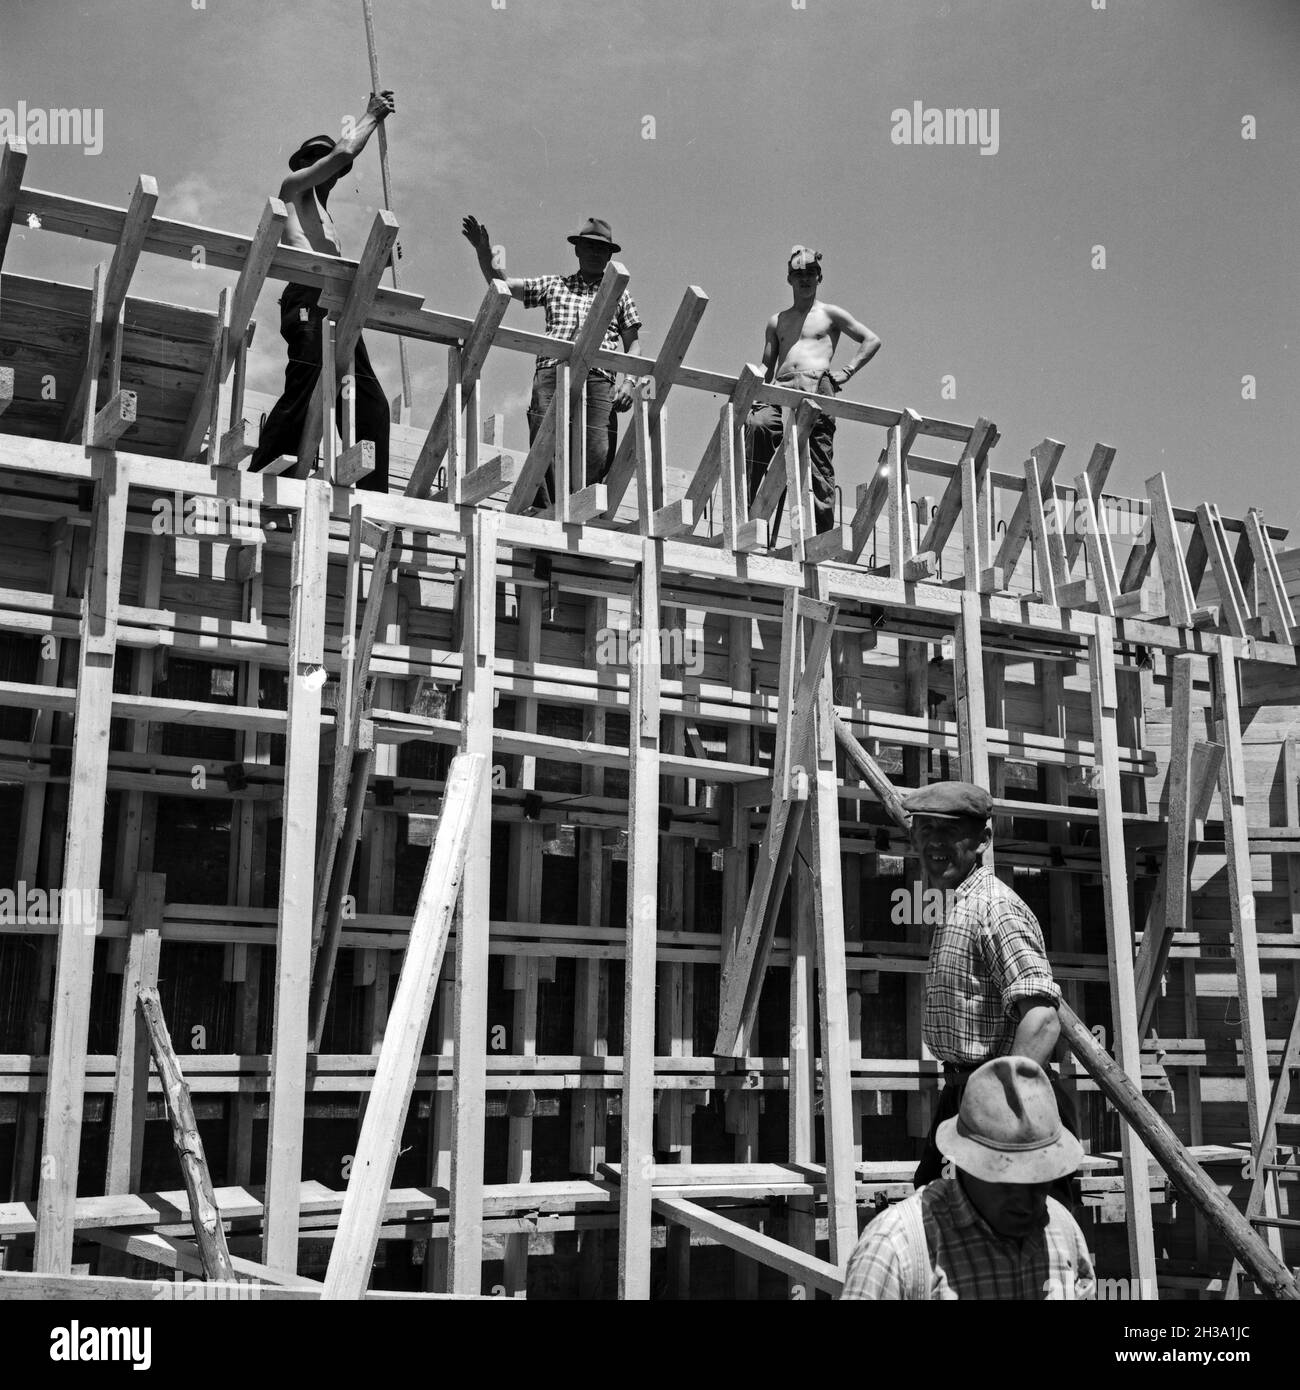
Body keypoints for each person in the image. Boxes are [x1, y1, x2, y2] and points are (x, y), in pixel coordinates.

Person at [905, 780, 1080, 1200]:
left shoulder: (994, 908)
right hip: (966, 1094)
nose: (934, 842)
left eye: (948, 831)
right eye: (925, 829)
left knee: (1012, 1227)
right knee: (942, 1208)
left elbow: (1042, 1018)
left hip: (1004, 1100)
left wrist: (1004, 1106)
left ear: (983, 839)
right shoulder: (956, 903)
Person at [841, 1056, 1095, 1300]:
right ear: (966, 1163)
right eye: (1009, 1178)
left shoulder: (1062, 1229)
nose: (1027, 1199)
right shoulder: (895, 1247)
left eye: (1040, 1178)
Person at [249, 90, 396, 494]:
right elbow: (344, 153)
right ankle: (266, 476)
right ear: (305, 165)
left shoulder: (328, 220)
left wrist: (378, 261)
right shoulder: (293, 188)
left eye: (325, 162)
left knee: (369, 399)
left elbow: (349, 279)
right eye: (316, 160)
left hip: (336, 305)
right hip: (307, 297)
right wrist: (371, 116)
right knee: (309, 379)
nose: (324, 167)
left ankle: (372, 493)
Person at [461, 214, 642, 511]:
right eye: (590, 247)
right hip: (552, 372)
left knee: (597, 450)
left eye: (602, 249)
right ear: (577, 250)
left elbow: (633, 343)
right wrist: (483, 250)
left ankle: (583, 512)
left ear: (610, 256)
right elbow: (503, 284)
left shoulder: (619, 295)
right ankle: (546, 512)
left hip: (598, 379)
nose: (596, 253)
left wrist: (630, 381)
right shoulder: (555, 285)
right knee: (546, 444)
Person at [745, 245, 881, 537]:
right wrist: (755, 394)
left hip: (816, 388)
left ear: (819, 278)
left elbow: (871, 340)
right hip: (781, 388)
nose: (805, 278)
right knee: (757, 426)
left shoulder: (830, 314)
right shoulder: (777, 321)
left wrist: (846, 371)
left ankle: (821, 536)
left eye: (811, 273)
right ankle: (749, 513)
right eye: (799, 274)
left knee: (819, 464)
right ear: (789, 279)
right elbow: (767, 365)